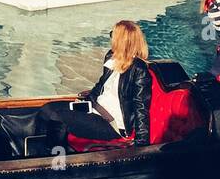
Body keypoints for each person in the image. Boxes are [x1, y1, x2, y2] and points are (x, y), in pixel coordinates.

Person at [40, 20, 153, 149]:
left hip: (112, 124)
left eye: (113, 35)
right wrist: (87, 99)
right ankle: (34, 151)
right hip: (95, 108)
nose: (111, 38)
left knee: (58, 116)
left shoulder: (139, 69)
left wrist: (142, 145)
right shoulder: (112, 57)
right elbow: (101, 85)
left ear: (121, 40)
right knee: (47, 109)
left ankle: (53, 159)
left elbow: (141, 107)